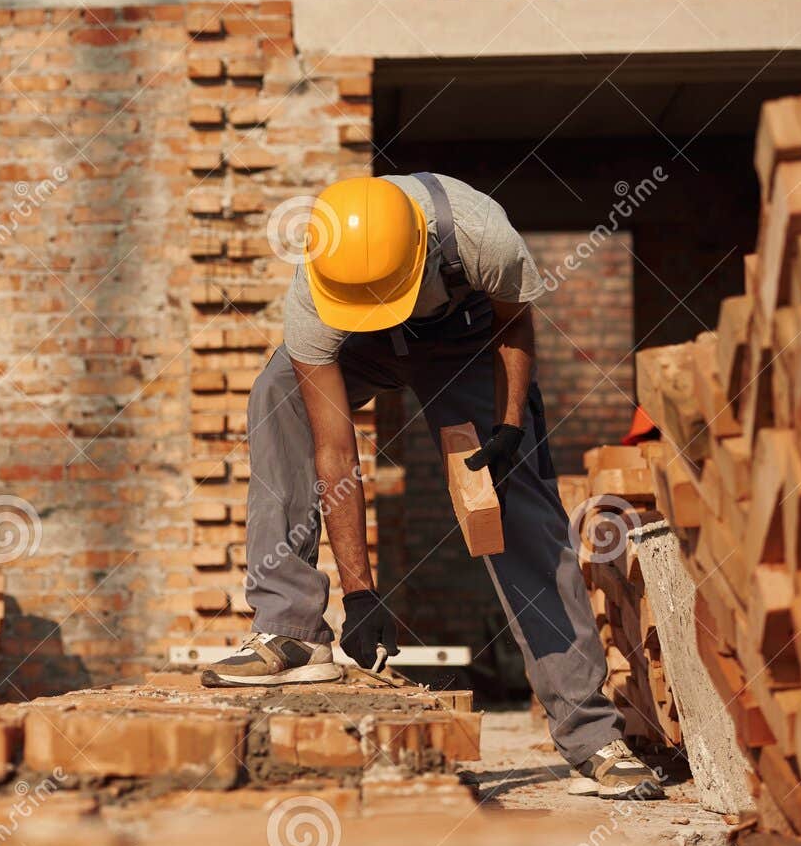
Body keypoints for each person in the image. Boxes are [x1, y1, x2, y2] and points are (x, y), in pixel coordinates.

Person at [201, 173, 663, 799]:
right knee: (274, 394)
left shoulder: (481, 234)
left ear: (420, 252)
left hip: (468, 340)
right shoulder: (315, 287)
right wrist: (362, 595)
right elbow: (337, 453)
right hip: (356, 346)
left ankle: (590, 735)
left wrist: (506, 426)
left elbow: (515, 327)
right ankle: (290, 629)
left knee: (517, 500)